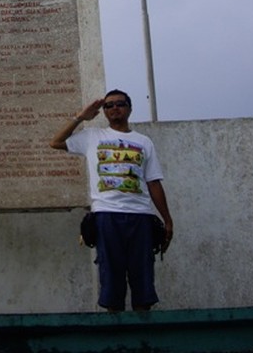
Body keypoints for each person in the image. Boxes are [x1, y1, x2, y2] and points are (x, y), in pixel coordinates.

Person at [49, 89, 173, 312]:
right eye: (109, 105)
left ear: (129, 108)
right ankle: (116, 335)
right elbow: (55, 142)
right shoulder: (92, 137)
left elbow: (154, 182)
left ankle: (143, 334)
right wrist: (80, 117)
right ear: (104, 112)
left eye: (120, 103)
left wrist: (168, 221)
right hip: (106, 216)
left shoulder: (144, 142)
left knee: (142, 274)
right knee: (111, 275)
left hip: (141, 217)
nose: (114, 108)